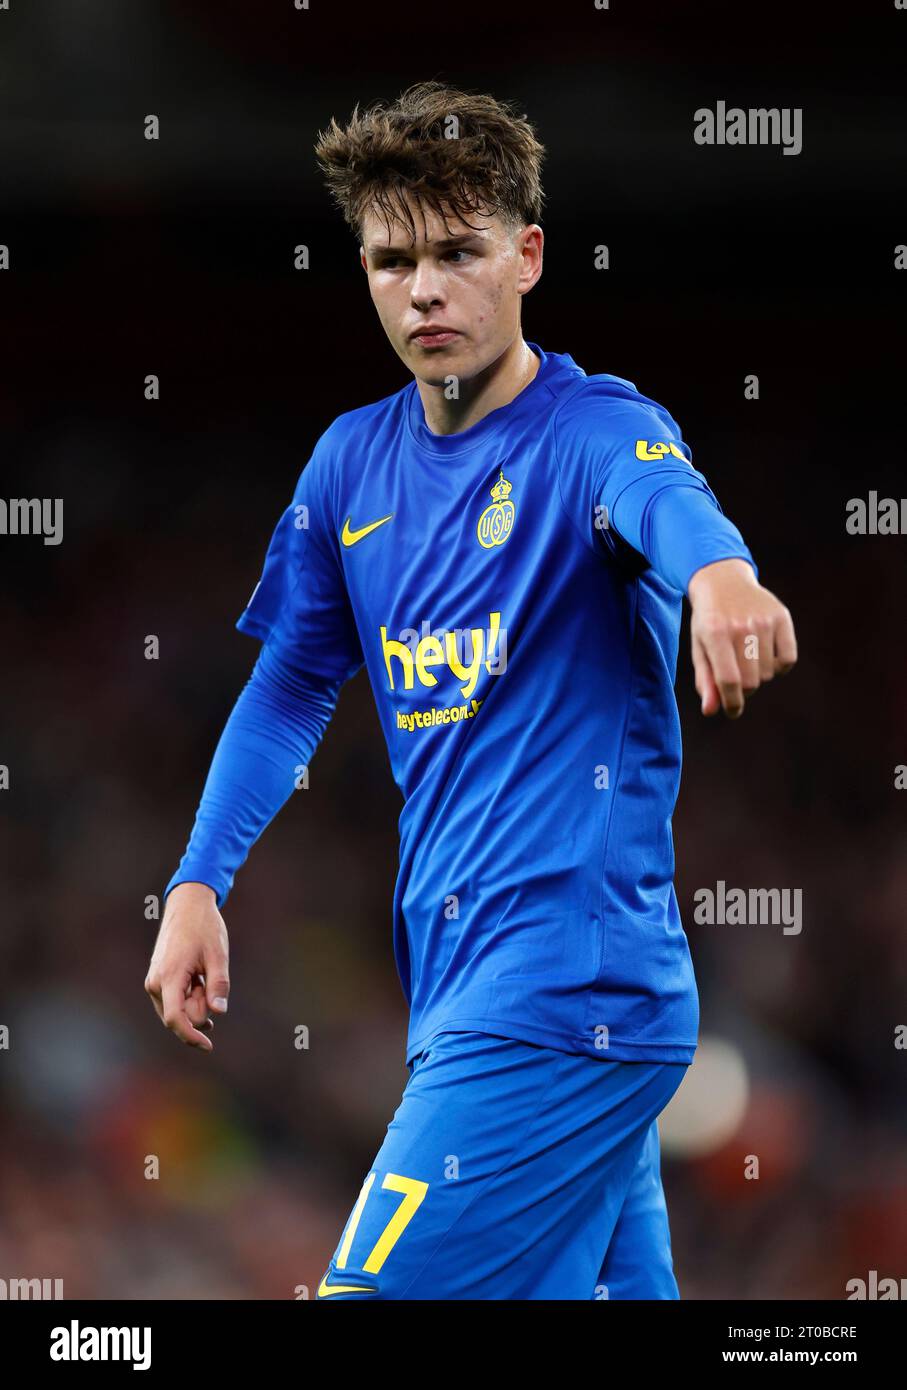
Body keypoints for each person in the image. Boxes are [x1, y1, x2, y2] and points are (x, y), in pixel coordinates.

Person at [145, 81, 797, 1299]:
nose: (425, 289)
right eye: (393, 260)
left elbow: (668, 502)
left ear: (528, 256)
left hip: (561, 1001)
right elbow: (290, 684)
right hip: (467, 998)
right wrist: (196, 879)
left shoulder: (593, 429)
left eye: (458, 251)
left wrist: (723, 579)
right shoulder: (350, 465)